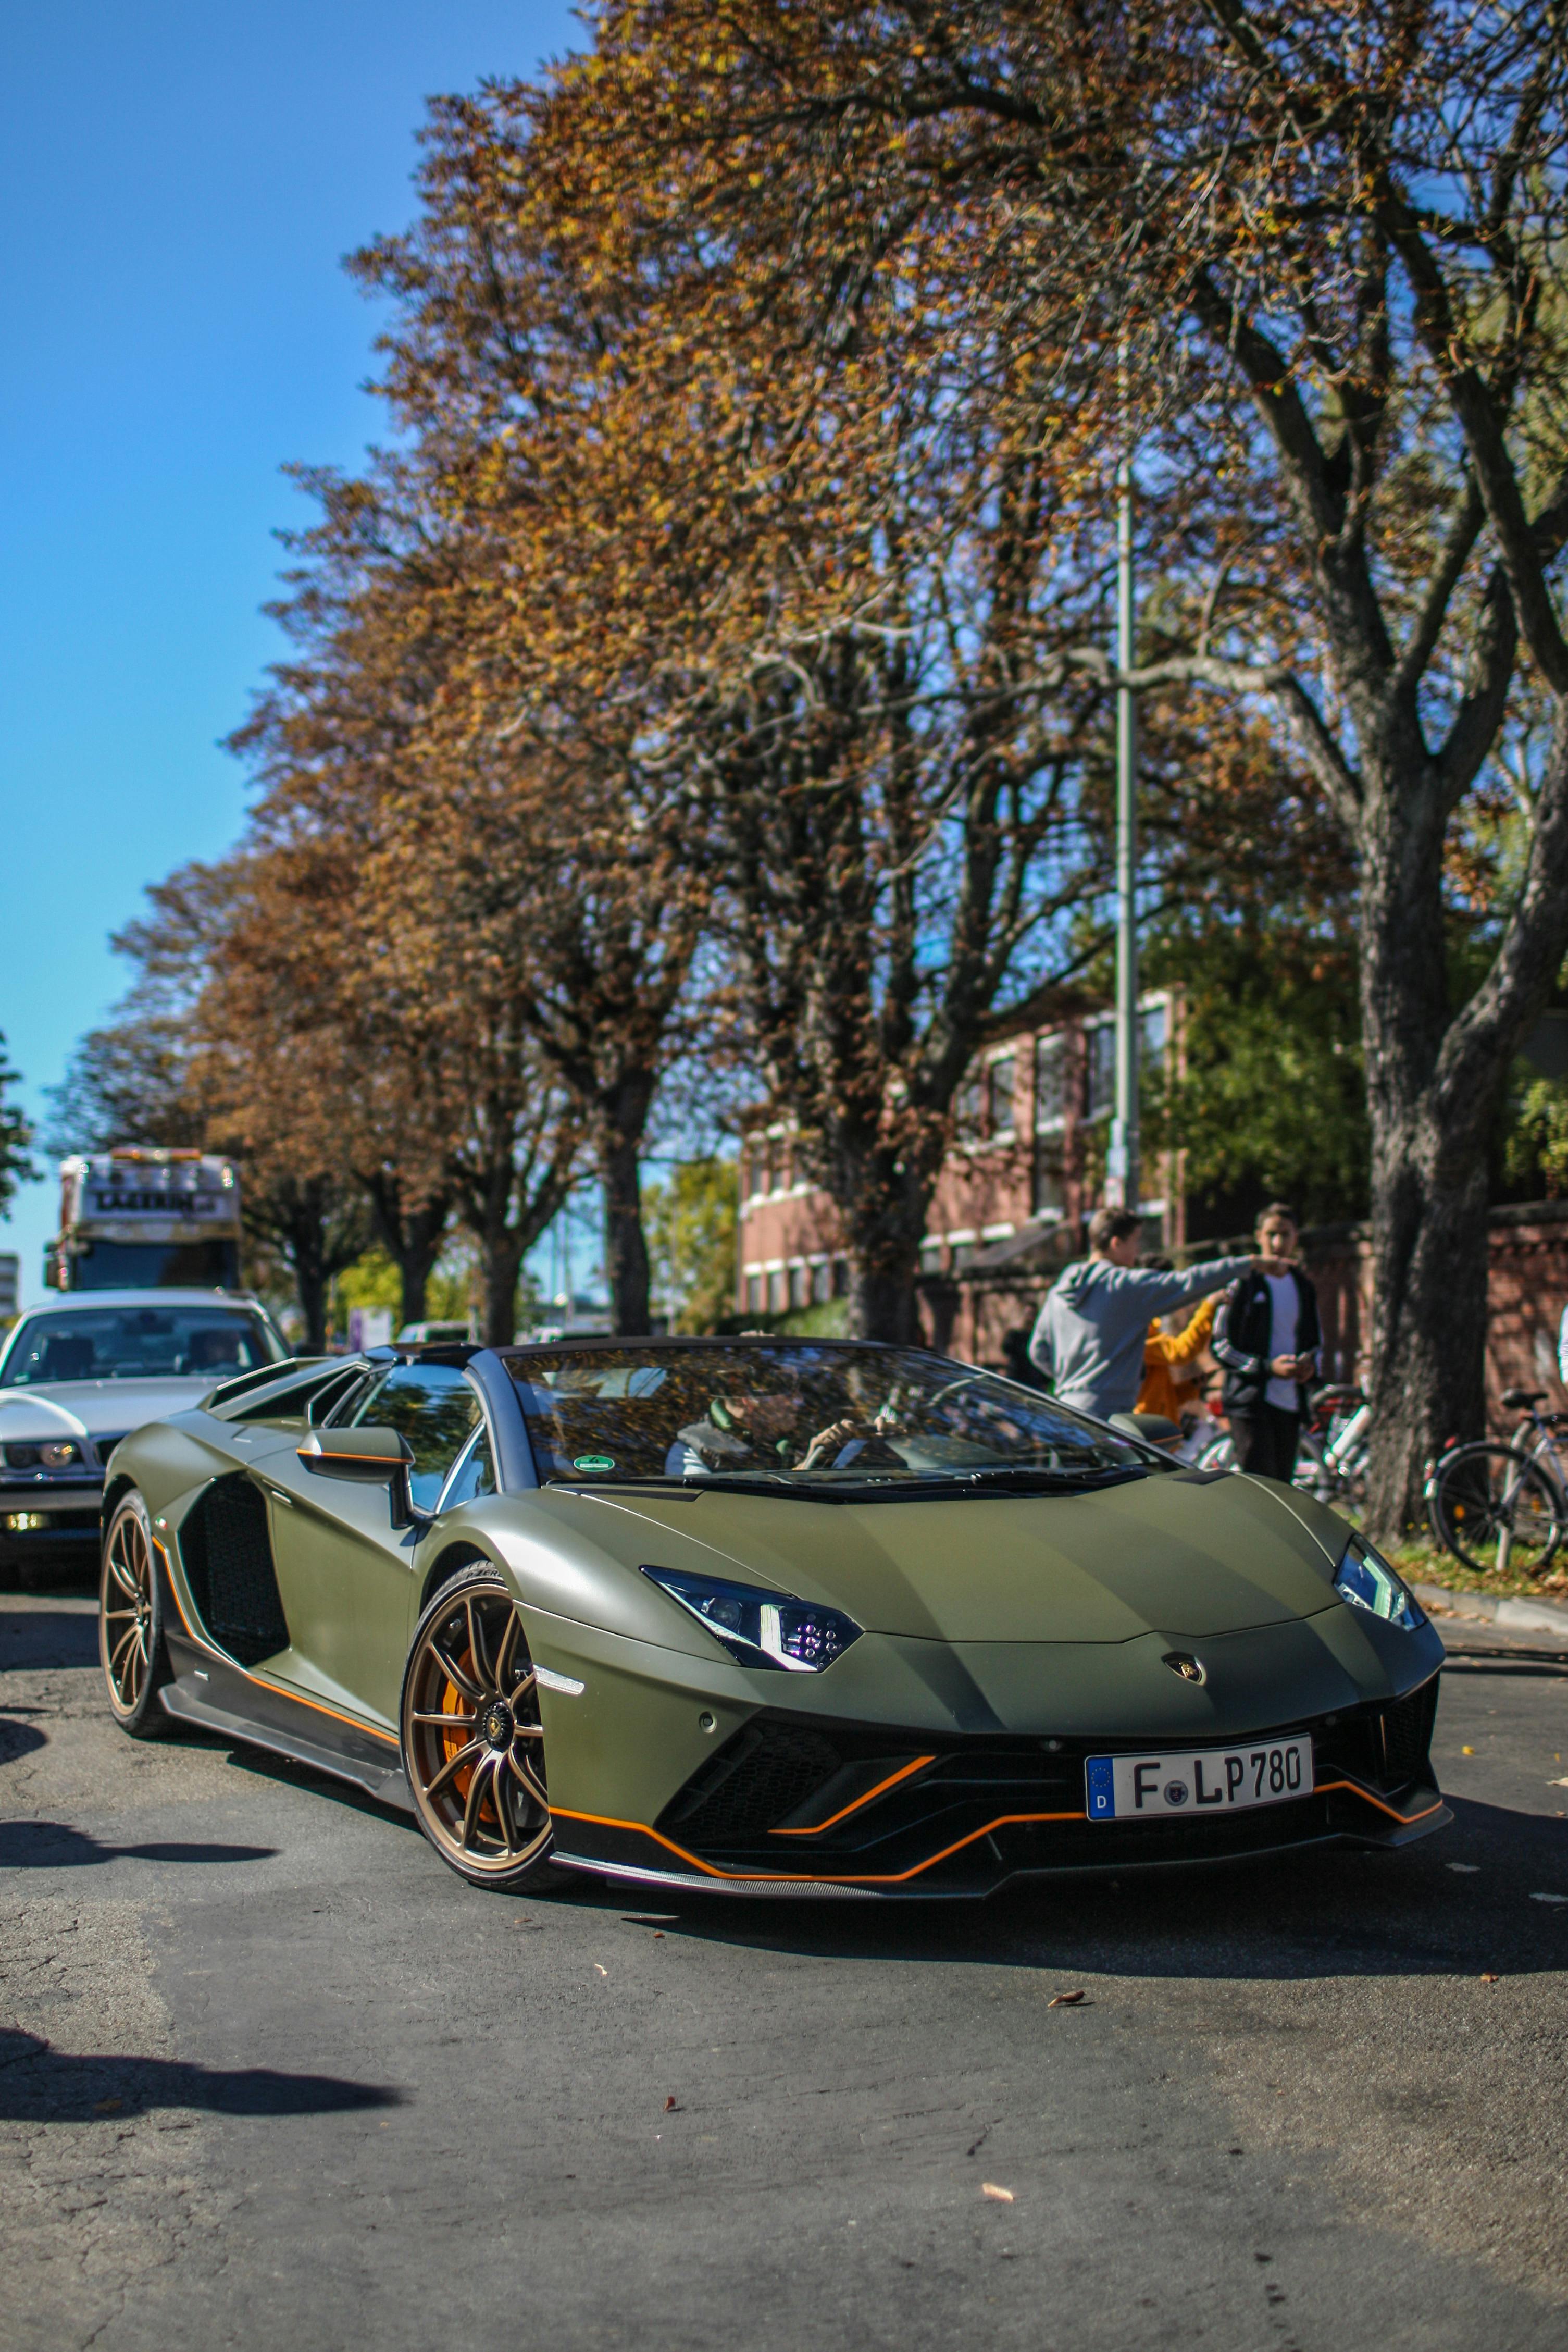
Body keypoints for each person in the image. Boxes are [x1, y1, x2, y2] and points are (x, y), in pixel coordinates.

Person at [1028, 1209, 1260, 1421]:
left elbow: (1038, 1351)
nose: (1138, 1251)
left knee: (1072, 1468)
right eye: (1136, 1242)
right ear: (1117, 1243)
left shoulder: (1059, 1291)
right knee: (1115, 1468)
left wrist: (1074, 1381)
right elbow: (1186, 1283)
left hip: (1066, 1409)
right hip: (1109, 1414)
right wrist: (1247, 1264)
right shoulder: (1123, 1286)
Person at [1211, 1202, 1321, 1482]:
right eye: (1271, 1234)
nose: (1277, 1243)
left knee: (1284, 1485)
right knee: (1260, 1484)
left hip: (1290, 1404)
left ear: (1296, 1237)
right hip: (1250, 1403)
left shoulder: (1303, 1285)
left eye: (1285, 1234)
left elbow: (1314, 1339)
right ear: (1258, 1236)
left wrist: (1308, 1364)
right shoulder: (1243, 1283)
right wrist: (1267, 1368)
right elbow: (1221, 1344)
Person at [1136, 1289, 1218, 1424]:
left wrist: (1192, 1387)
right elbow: (1181, 1352)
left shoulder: (1148, 1334)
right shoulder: (1140, 1341)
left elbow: (1161, 1398)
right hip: (1143, 1432)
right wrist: (1210, 1305)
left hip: (1159, 1431)